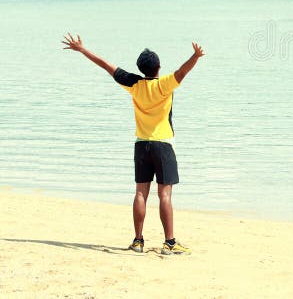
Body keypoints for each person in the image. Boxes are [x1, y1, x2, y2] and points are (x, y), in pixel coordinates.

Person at [61, 33, 204, 255]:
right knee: (164, 195)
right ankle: (170, 242)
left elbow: (106, 65)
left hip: (141, 146)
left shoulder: (133, 83)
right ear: (158, 67)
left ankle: (138, 241)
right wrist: (195, 56)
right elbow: (183, 71)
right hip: (163, 145)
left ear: (141, 68)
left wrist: (82, 49)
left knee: (140, 193)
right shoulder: (164, 84)